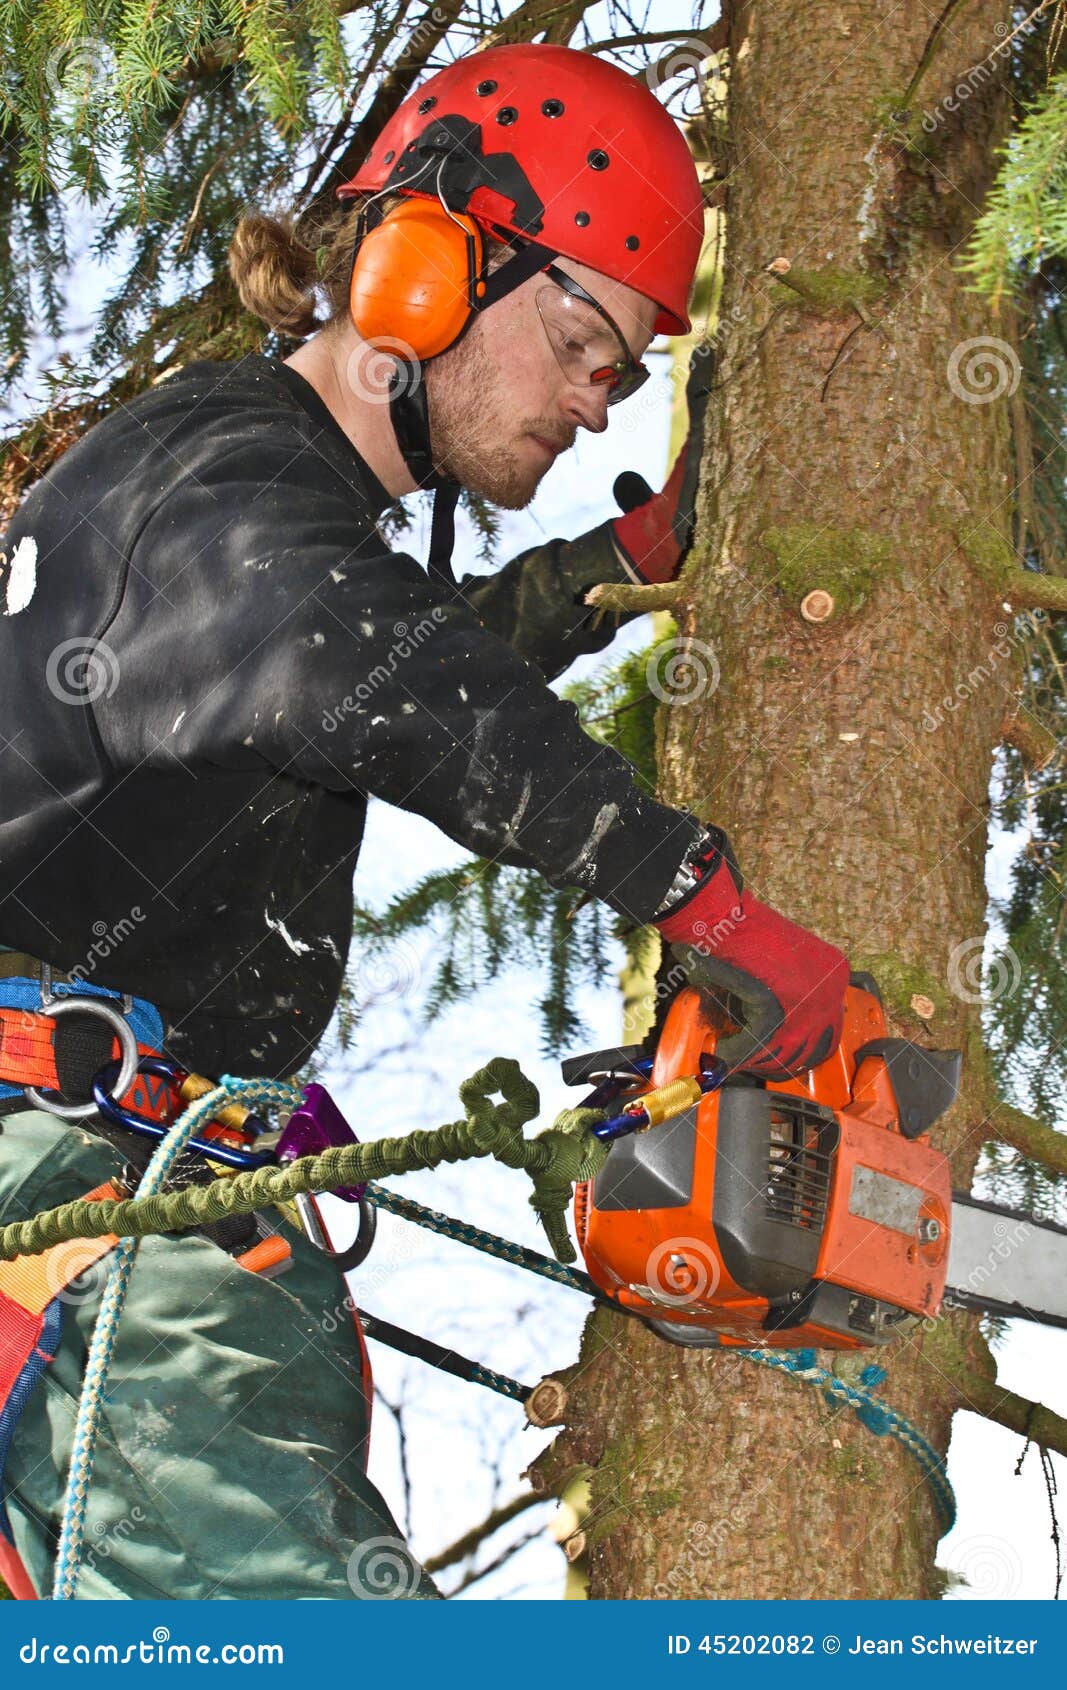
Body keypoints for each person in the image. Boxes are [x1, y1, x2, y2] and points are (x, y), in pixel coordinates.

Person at [0, 42, 849, 1600]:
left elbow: (388, 653)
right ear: (430, 263)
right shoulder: (232, 493)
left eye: (627, 371)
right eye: (585, 341)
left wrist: (621, 555)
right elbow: (389, 681)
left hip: (96, 1190)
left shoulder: (233, 498)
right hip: (84, 1201)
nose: (597, 406)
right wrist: (705, 903)